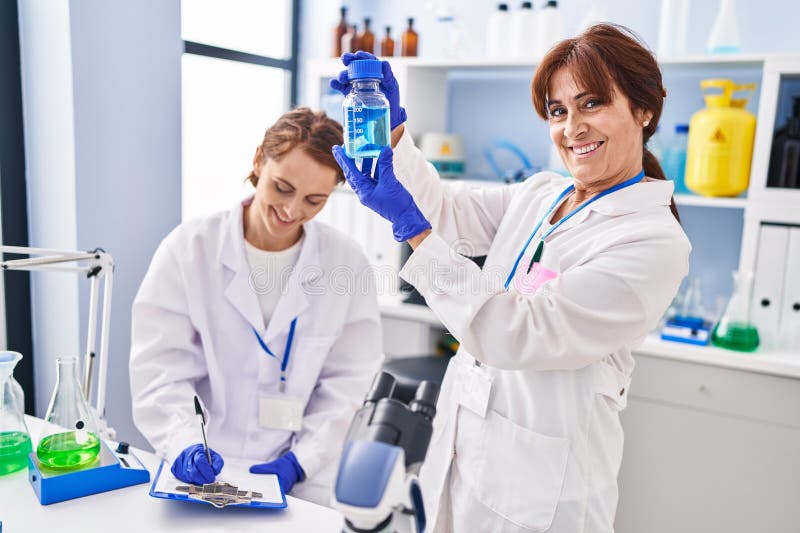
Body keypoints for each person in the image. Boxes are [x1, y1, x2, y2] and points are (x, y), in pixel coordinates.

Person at [331, 24, 690, 532]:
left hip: (546, 497)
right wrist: (391, 132)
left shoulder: (652, 241)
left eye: (591, 104)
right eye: (558, 111)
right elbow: (448, 216)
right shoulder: (543, 193)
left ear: (644, 109)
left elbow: (518, 333)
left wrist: (413, 229)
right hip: (465, 461)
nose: (572, 128)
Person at [129, 107, 383, 505]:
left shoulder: (346, 263)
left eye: (314, 199)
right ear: (258, 161)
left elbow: (351, 381)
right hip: (206, 462)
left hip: (304, 473)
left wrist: (301, 461)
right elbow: (160, 370)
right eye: (282, 187)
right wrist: (183, 444)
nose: (292, 210)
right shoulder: (190, 249)